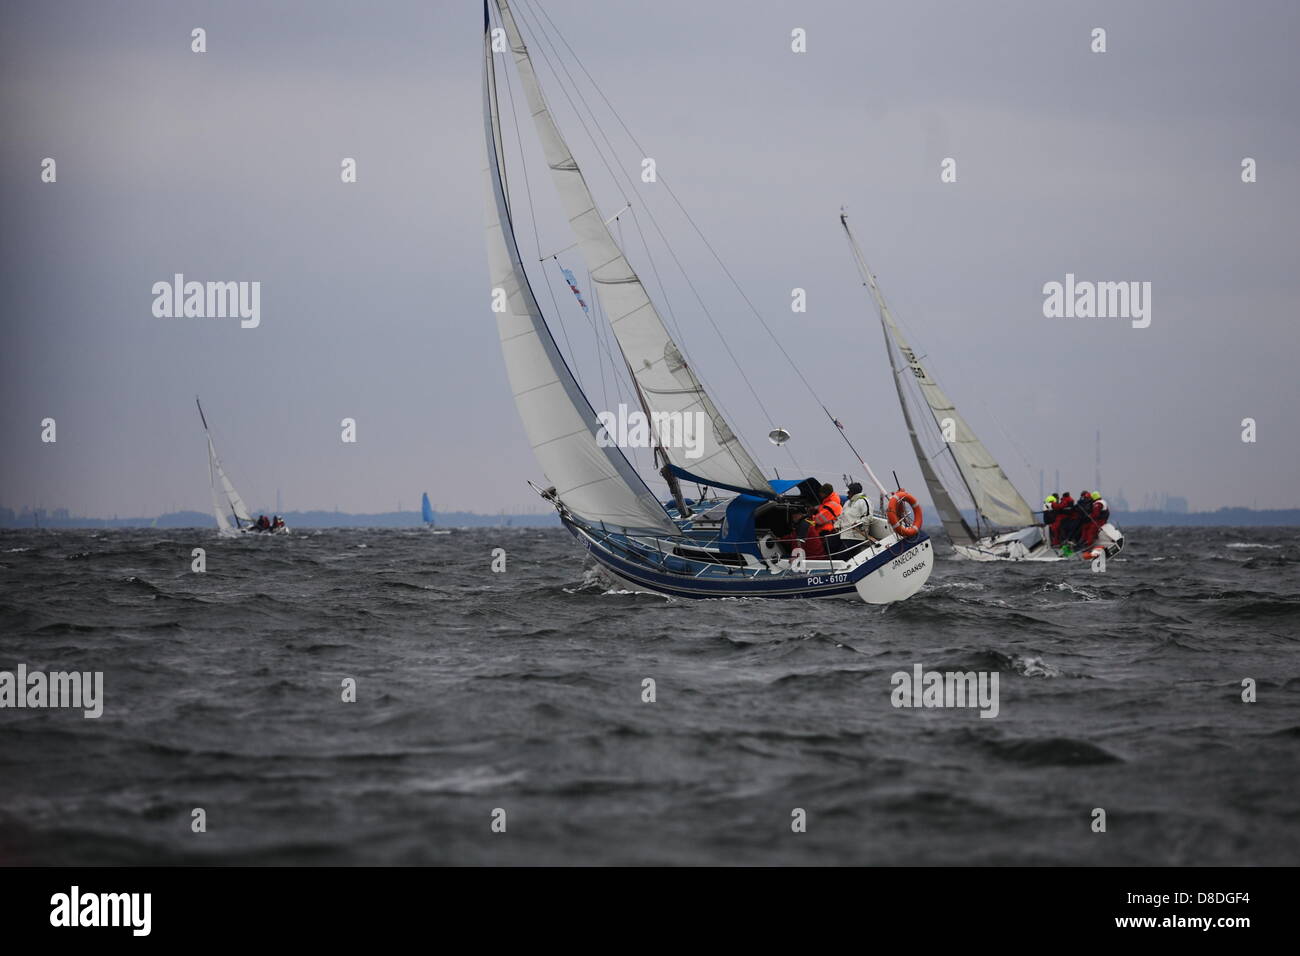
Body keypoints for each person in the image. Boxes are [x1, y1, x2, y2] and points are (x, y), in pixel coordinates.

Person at [837, 482, 876, 554]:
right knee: (830, 547)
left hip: (855, 536)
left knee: (840, 556)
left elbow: (869, 517)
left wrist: (857, 523)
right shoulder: (847, 502)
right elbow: (841, 516)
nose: (847, 494)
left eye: (848, 492)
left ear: (852, 492)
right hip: (843, 534)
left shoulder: (864, 501)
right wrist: (836, 525)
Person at [809, 483, 843, 557]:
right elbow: (823, 507)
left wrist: (809, 516)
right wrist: (815, 508)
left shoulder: (831, 505)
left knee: (819, 547)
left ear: (825, 493)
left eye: (821, 493)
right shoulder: (832, 501)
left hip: (827, 531)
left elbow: (818, 520)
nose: (819, 494)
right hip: (829, 529)